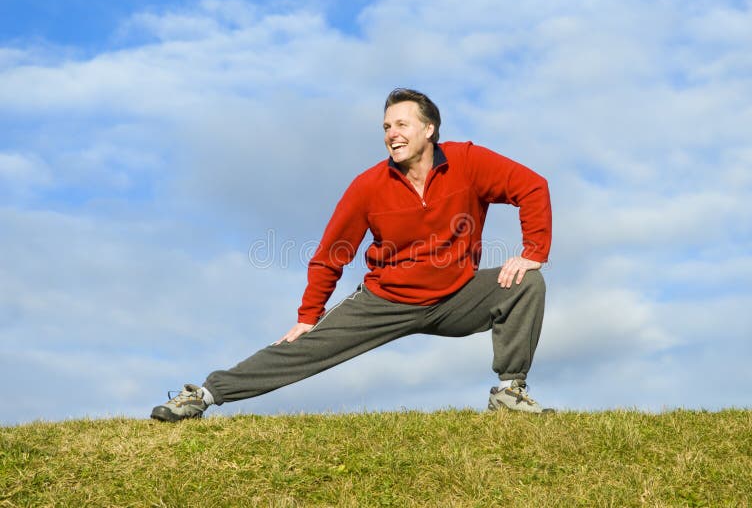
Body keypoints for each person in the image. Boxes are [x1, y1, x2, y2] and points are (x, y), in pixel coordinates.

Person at [151, 88, 552, 422]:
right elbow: (331, 254)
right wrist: (308, 316)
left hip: (456, 296)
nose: (391, 134)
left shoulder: (468, 161)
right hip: (386, 300)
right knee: (302, 351)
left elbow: (532, 186)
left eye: (401, 124)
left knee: (526, 283)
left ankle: (508, 392)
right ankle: (202, 395)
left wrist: (532, 251)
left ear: (429, 130)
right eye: (386, 127)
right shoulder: (368, 186)